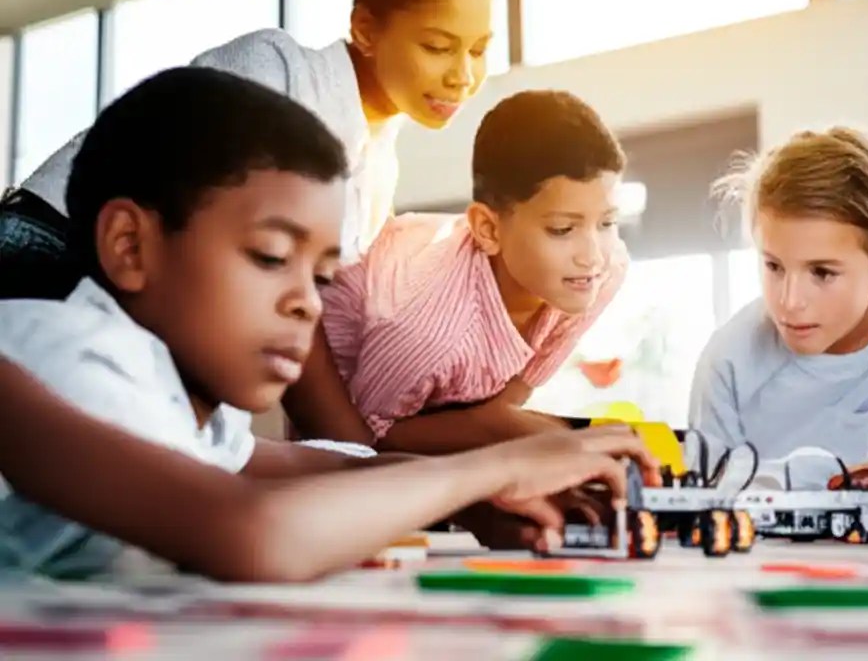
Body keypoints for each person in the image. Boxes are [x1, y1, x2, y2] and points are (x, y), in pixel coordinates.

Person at [0, 67, 656, 582]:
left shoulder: (187, 407)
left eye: (319, 276)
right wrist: (492, 471)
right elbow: (252, 530)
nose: (308, 306)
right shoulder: (66, 364)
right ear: (130, 245)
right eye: (271, 258)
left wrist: (473, 501)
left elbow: (325, 468)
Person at [2, 0, 496, 293]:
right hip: (50, 243)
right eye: (438, 47)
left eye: (478, 50)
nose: (463, 75)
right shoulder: (276, 68)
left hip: (120, 290)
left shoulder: (378, 169)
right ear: (365, 30)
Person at [285, 90, 629, 455]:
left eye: (607, 222)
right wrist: (523, 431)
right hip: (342, 408)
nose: (592, 256)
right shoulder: (426, 329)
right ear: (489, 230)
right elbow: (372, 439)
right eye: (562, 229)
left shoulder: (603, 273)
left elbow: (500, 410)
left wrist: (514, 428)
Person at [688, 127, 868, 491]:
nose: (789, 301)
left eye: (822, 273)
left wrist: (768, 479)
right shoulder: (727, 357)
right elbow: (704, 490)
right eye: (773, 266)